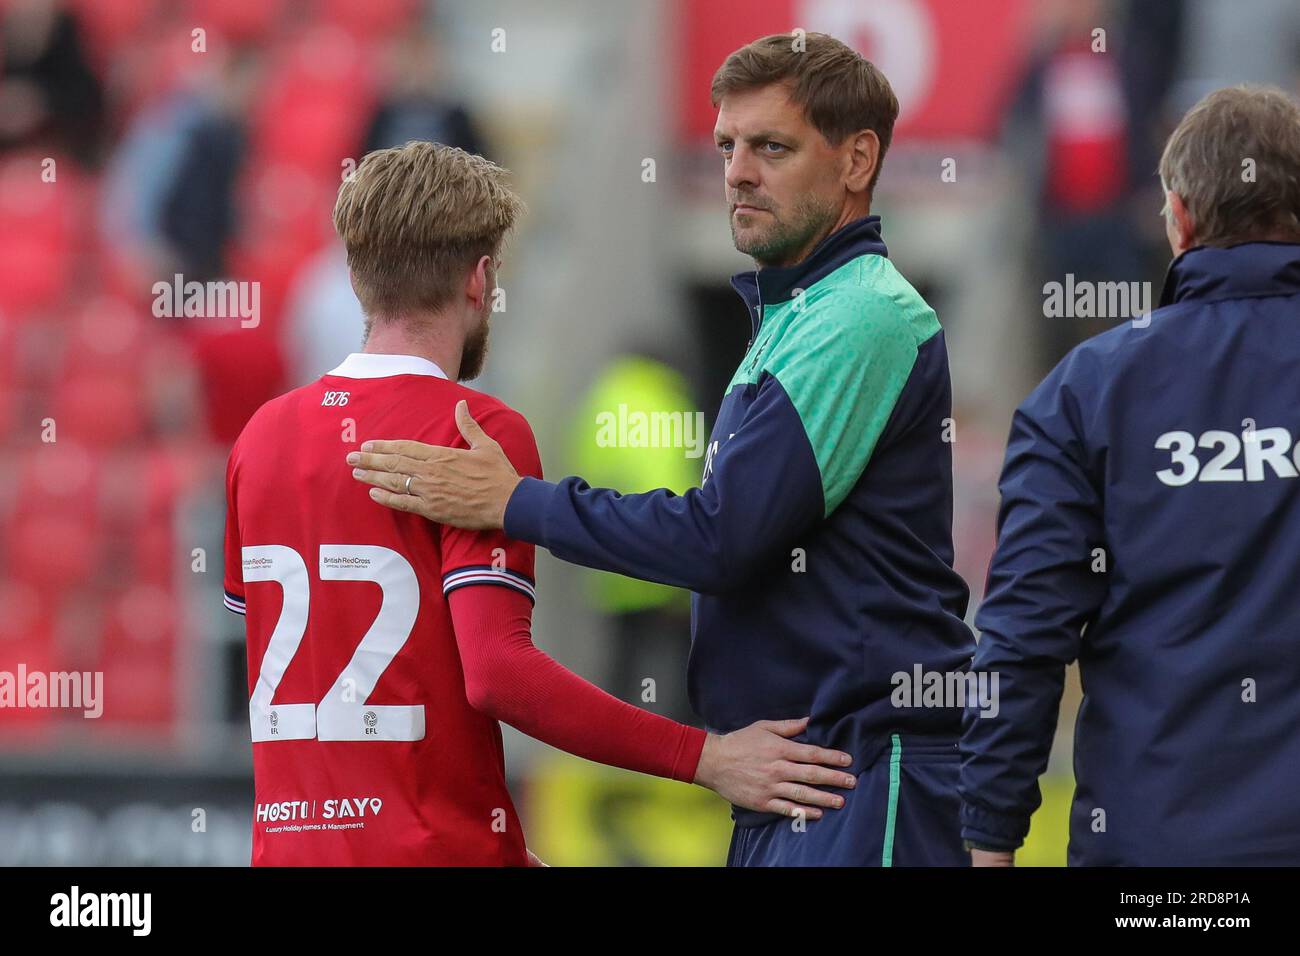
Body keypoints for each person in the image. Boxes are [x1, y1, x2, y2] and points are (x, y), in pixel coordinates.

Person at [348, 34, 974, 867]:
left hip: (854, 774)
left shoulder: (858, 315)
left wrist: (515, 502)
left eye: (771, 147)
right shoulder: (795, 316)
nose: (738, 171)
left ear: (858, 158)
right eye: (726, 146)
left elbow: (723, 537)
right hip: (796, 777)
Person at [222, 141, 856, 866]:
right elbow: (496, 672)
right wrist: (704, 756)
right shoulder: (476, 430)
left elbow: (317, 676)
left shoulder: (260, 439)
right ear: (480, 278)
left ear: (358, 276)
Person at [960, 86, 1300, 866]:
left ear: (1177, 218)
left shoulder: (1088, 391)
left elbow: (1021, 640)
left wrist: (987, 838)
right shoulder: (1087, 393)